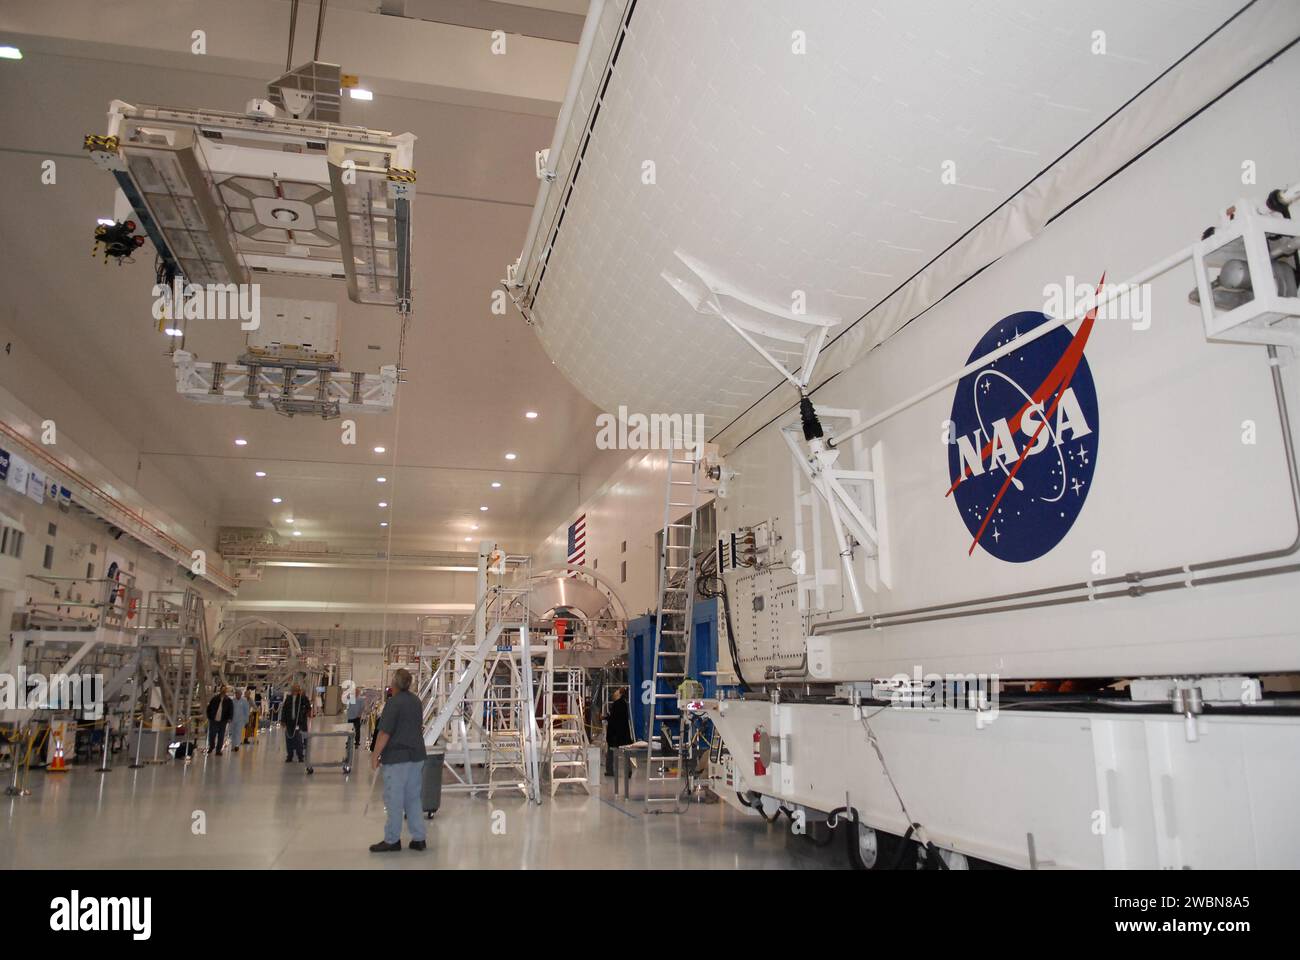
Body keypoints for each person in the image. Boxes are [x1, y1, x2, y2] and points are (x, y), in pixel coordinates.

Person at [369, 669, 427, 853]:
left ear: (394, 684)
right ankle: (419, 838)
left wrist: (375, 755)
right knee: (413, 798)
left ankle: (392, 839)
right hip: (416, 756)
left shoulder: (394, 703)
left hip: (397, 758)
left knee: (394, 799)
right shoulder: (416, 701)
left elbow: (385, 732)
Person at [604, 687, 632, 778]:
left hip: (615, 734)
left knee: (611, 752)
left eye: (616, 691)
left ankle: (610, 770)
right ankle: (628, 771)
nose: (614, 693)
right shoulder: (624, 703)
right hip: (623, 733)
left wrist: (605, 717)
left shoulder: (617, 704)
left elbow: (614, 719)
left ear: (619, 693)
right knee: (626, 752)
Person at [280, 683, 310, 763]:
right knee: (288, 739)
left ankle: (300, 756)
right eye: (293, 690)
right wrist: (283, 720)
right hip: (289, 722)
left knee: (298, 739)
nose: (294, 691)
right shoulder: (288, 698)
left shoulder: (302, 698)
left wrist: (302, 714)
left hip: (298, 723)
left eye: (296, 690)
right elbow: (284, 710)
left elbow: (308, 707)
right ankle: (290, 755)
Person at [205, 686, 233, 755]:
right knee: (212, 735)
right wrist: (209, 716)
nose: (223, 691)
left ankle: (218, 750)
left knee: (221, 736)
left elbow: (231, 710)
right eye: (222, 689)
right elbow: (209, 708)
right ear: (220, 690)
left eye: (225, 690)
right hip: (214, 720)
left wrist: (230, 718)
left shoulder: (229, 700)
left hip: (223, 721)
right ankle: (211, 747)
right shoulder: (215, 699)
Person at [229, 689, 251, 753]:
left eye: (238, 694)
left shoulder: (244, 702)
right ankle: (233, 745)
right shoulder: (233, 701)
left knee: (238, 733)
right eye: (236, 693)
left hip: (241, 720)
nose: (237, 695)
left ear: (241, 694)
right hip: (233, 720)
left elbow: (247, 712)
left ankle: (237, 745)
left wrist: (246, 720)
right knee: (233, 733)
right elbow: (230, 710)